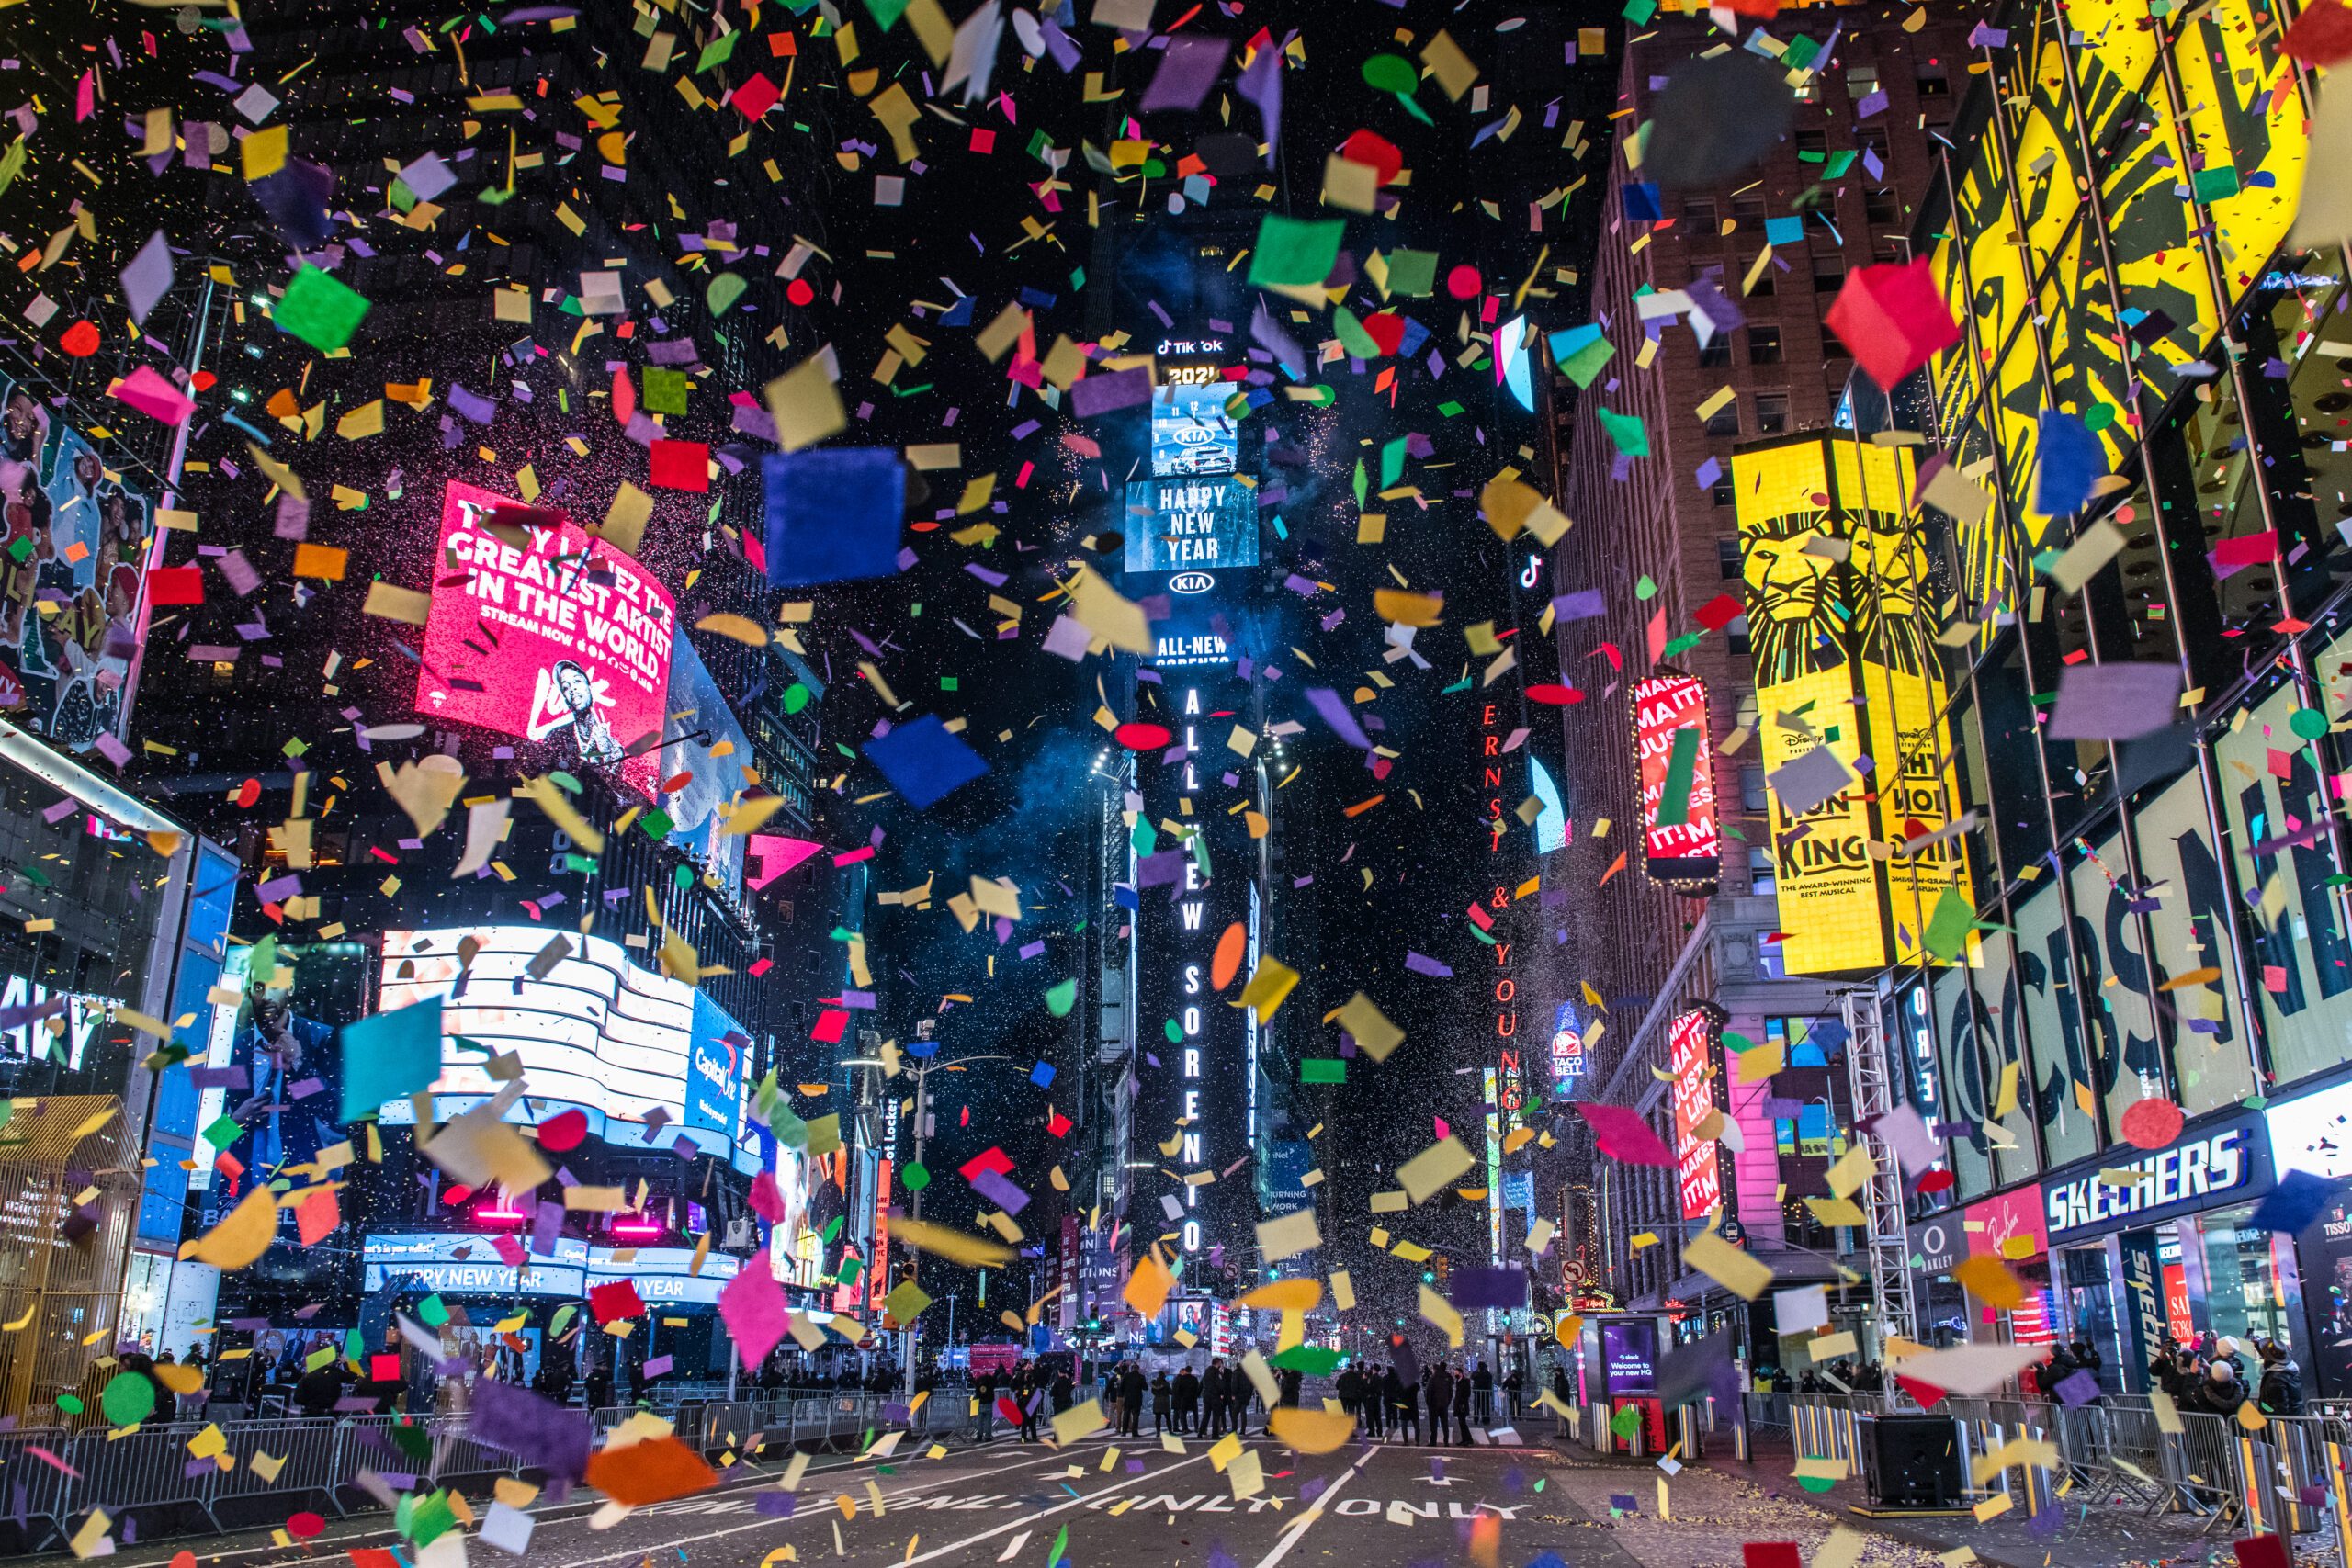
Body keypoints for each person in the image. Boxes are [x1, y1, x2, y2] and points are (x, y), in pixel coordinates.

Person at [2258, 1339, 2304, 1415]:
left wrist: (2263, 1406)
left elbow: (2279, 1408)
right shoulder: (2291, 1369)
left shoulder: (2276, 1378)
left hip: (2282, 1421)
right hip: (2297, 1415)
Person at [1424, 1364, 1452, 1446]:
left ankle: (1433, 1442)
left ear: (1434, 1370)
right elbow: (1450, 1392)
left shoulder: (1433, 1378)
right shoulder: (1446, 1378)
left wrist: (1429, 1403)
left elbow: (1428, 1392)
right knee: (1445, 1424)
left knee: (1433, 1424)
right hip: (1443, 1404)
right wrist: (1447, 1402)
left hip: (1434, 1405)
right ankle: (1446, 1441)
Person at [1118, 1361, 1146, 1438]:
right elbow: (1145, 1388)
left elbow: (1121, 1387)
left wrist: (1124, 1395)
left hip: (1127, 1399)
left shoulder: (1126, 1376)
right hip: (1137, 1399)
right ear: (1138, 1369)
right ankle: (1135, 1432)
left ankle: (1124, 1432)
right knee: (1136, 1416)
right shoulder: (1141, 1377)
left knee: (1126, 1416)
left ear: (1132, 1369)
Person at [1173, 1364, 1200, 1434]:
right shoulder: (1194, 1379)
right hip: (1193, 1399)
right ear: (1191, 1371)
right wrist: (1196, 1396)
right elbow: (1197, 1389)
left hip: (1184, 1399)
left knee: (1183, 1414)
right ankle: (1196, 1428)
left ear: (1185, 1370)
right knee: (1195, 1414)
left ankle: (1185, 1428)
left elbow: (1178, 1389)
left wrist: (1181, 1396)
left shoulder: (1181, 1379)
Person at [1453, 1362, 1474, 1443]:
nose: (1455, 1374)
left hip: (1462, 1405)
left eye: (1456, 1373)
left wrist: (1461, 1402)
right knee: (1461, 1423)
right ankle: (1465, 1439)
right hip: (1459, 1405)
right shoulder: (1458, 1381)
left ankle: (1468, 1439)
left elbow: (1467, 1394)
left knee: (1463, 1423)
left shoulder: (1465, 1381)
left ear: (1460, 1373)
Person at [1362, 1364, 1385, 1440]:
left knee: (1370, 1416)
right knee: (1377, 1416)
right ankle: (1380, 1432)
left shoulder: (1371, 1378)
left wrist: (1364, 1379)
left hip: (1371, 1399)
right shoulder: (1380, 1378)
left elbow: (1368, 1388)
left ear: (1374, 1369)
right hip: (1378, 1398)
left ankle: (1371, 1431)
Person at [1471, 1359, 1494, 1423]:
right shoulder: (1487, 1374)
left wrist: (1477, 1371)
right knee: (1485, 1407)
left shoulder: (1478, 1374)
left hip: (1479, 1392)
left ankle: (1476, 1420)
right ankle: (1485, 1420)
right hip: (1485, 1392)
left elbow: (1472, 1376)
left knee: (1477, 1407)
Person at [1151, 1371, 1172, 1435]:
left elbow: (1153, 1392)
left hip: (1157, 1402)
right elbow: (1171, 1392)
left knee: (1157, 1419)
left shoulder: (1154, 1383)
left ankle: (1158, 1432)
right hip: (1165, 1402)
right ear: (1164, 1376)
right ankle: (1170, 1431)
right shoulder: (1166, 1383)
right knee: (1168, 1418)